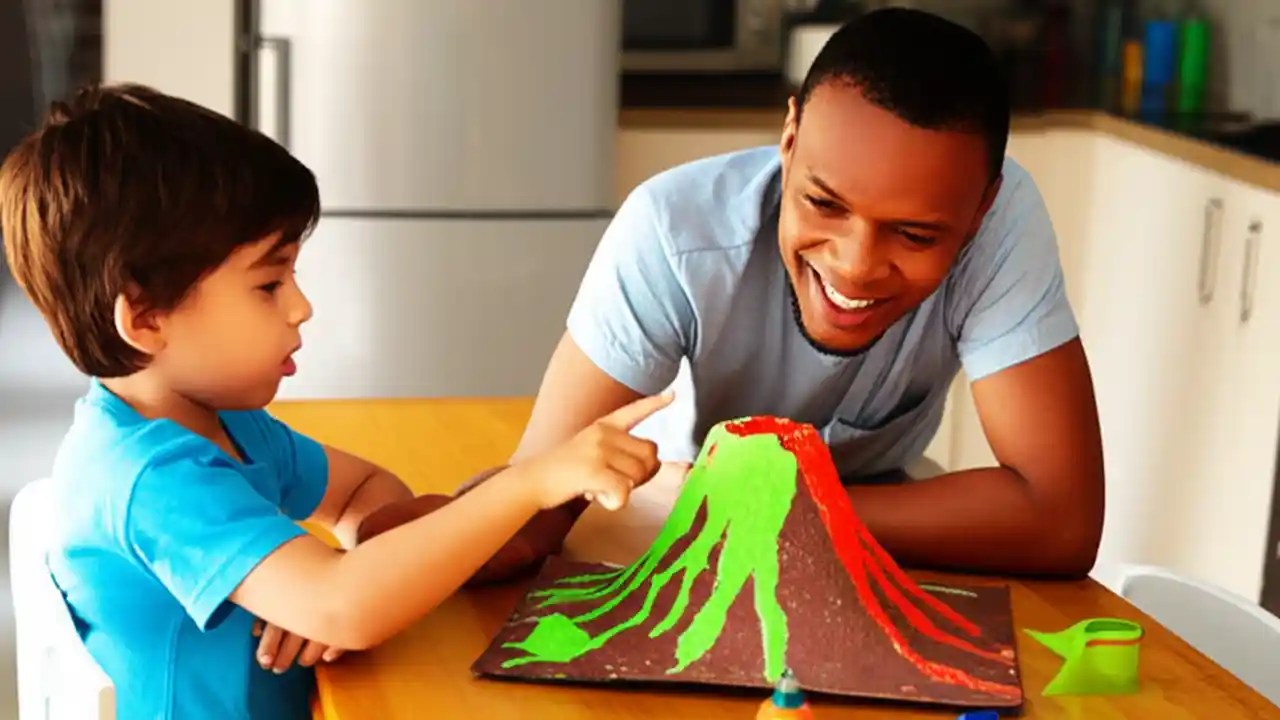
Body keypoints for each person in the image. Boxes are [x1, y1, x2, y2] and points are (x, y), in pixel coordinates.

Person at [0, 83, 672, 720]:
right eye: (269, 284)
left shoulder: (218, 422)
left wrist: (344, 588)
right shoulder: (153, 478)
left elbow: (362, 497)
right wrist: (529, 483)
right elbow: (343, 606)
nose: (302, 306)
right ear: (145, 319)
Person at [439, 7, 1105, 582]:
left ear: (982, 207)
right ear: (788, 141)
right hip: (674, 505)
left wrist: (781, 505)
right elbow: (538, 495)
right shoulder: (674, 229)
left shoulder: (1003, 220)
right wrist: (418, 535)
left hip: (866, 521)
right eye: (823, 203)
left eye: (914, 234)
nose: (857, 266)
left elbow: (1061, 521)